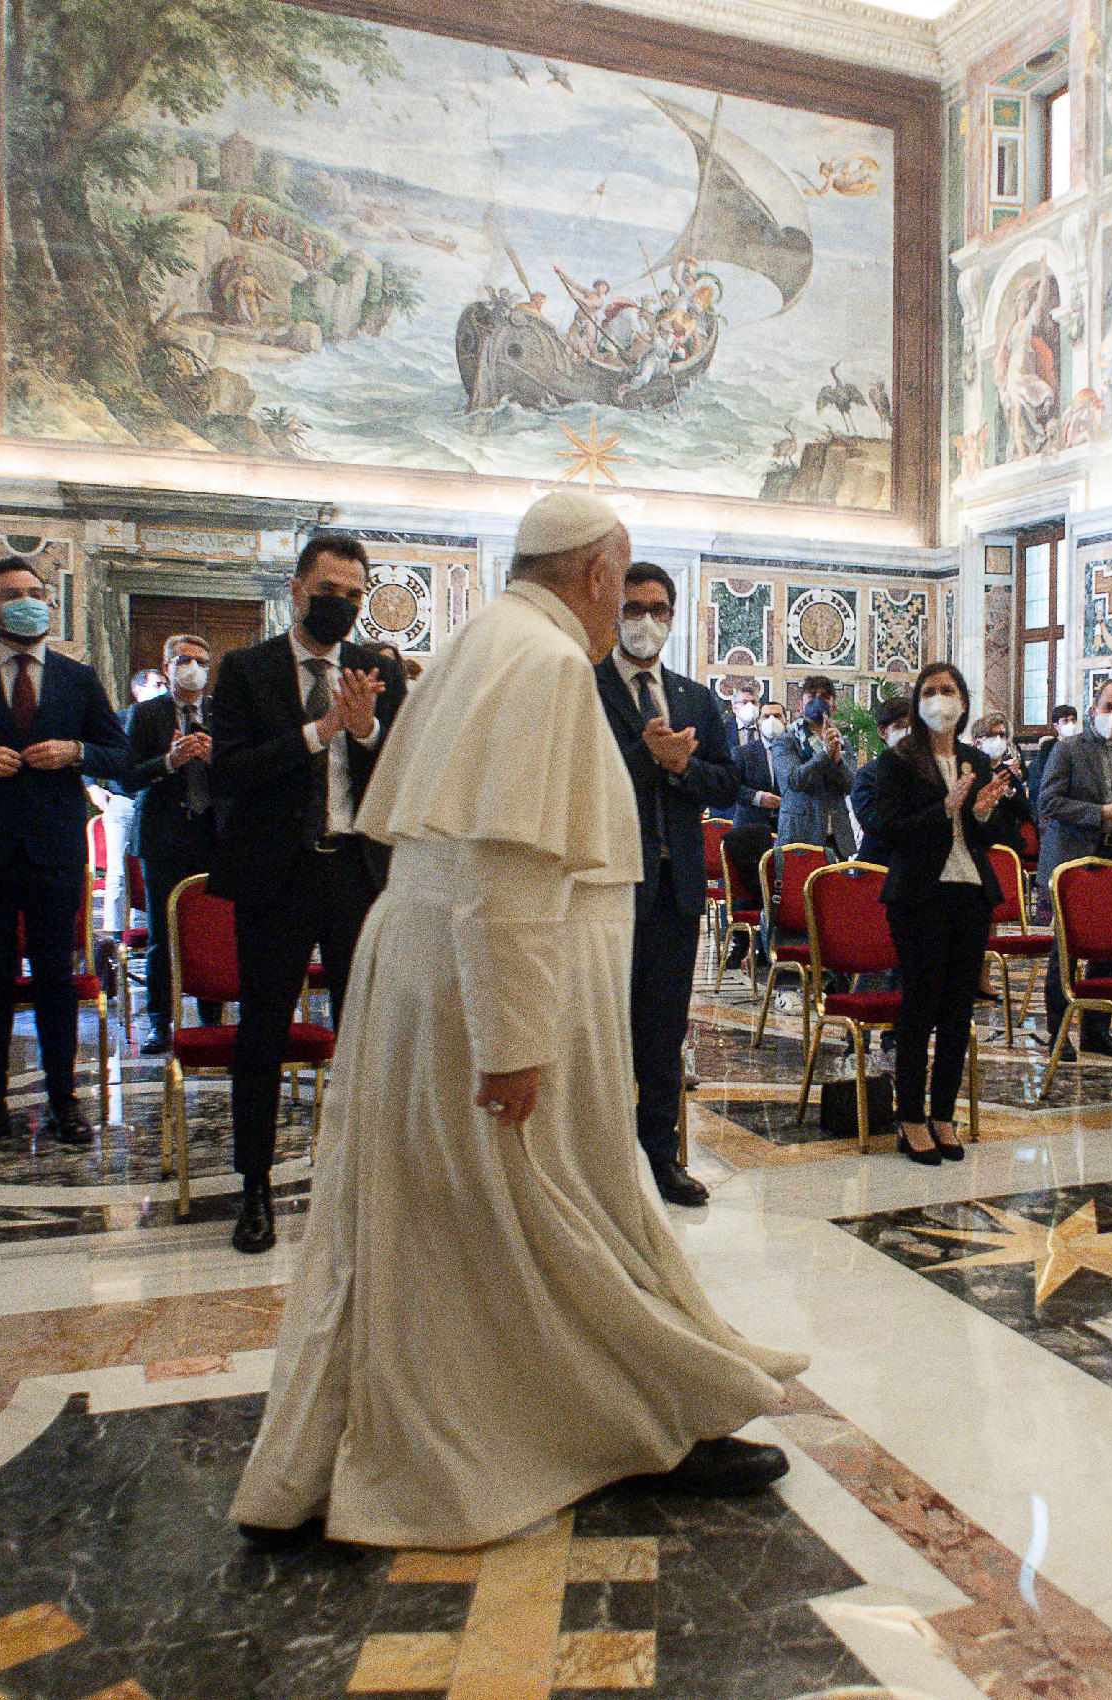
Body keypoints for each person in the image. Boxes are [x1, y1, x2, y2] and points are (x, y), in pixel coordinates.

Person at [229, 487, 805, 1552]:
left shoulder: (485, 636)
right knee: (553, 1217)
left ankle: (605, 1410)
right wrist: (513, 1046)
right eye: (620, 587)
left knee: (472, 1232)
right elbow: (507, 865)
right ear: (595, 576)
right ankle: (638, 1420)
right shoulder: (543, 663)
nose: (623, 611)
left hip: (441, 972)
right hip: (487, 993)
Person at [208, 533, 409, 1253]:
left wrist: (364, 731)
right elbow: (227, 772)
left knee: (368, 1036)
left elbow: (399, 770)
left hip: (357, 874)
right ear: (297, 590)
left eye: (355, 596)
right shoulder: (246, 670)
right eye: (330, 592)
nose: (344, 607)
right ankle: (255, 1187)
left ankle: (364, 1177)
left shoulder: (376, 667)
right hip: (277, 876)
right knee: (261, 1036)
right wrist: (319, 730)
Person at [0, 556, 130, 1150]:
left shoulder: (76, 678)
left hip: (55, 849)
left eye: (35, 592)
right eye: (11, 594)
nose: (26, 601)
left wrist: (76, 752)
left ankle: (65, 1099)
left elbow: (122, 757)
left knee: (57, 979)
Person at [596, 561, 737, 1207]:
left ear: (673, 618)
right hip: (607, 888)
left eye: (657, 609)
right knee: (599, 1033)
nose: (645, 621)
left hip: (676, 889)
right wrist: (643, 757)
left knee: (662, 1034)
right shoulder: (586, 687)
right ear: (614, 612)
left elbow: (726, 781)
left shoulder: (692, 697)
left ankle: (660, 1159)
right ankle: (598, 1167)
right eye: (633, 608)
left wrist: (681, 768)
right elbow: (578, 775)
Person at [859, 663, 1017, 1163]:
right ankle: (910, 1117)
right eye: (930, 691)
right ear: (917, 702)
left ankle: (943, 1113)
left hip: (970, 891)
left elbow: (991, 836)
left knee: (958, 1007)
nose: (939, 699)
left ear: (963, 702)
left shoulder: (974, 760)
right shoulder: (899, 761)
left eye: (948, 690)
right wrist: (944, 810)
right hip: (918, 894)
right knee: (921, 1003)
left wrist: (985, 813)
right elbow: (887, 828)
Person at [1035, 678, 1112, 1058]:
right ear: (1094, 707)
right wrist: (1098, 814)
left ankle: (1097, 1029)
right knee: (1066, 947)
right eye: (1108, 707)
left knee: (1108, 947)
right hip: (1076, 859)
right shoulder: (1068, 750)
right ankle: (1059, 1030)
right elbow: (1048, 801)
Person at [123, 633, 222, 1053]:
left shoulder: (224, 714)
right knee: (163, 931)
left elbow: (247, 774)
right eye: (184, 659)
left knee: (213, 926)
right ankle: (160, 1021)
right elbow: (124, 777)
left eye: (201, 660)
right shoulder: (145, 715)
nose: (193, 667)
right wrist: (169, 761)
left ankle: (211, 1017)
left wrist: (217, 758)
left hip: (214, 835)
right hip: (163, 836)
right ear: (166, 668)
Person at [718, 697, 782, 973]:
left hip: (782, 828)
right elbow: (732, 788)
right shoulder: (744, 753)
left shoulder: (792, 752)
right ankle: (741, 943)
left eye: (778, 716)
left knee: (778, 889)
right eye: (767, 716)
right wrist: (758, 797)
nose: (772, 721)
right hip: (750, 827)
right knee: (748, 888)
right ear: (758, 722)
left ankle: (772, 948)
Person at [771, 674, 856, 857]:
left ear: (832, 706)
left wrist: (836, 759)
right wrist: (825, 754)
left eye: (824, 697)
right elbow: (794, 781)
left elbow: (851, 784)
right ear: (800, 705)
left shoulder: (841, 741)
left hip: (837, 838)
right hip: (801, 835)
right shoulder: (785, 741)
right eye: (811, 696)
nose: (818, 700)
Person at [852, 695, 916, 865]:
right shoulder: (868, 775)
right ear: (883, 732)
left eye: (913, 727)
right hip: (879, 863)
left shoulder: (930, 771)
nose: (908, 733)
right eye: (900, 726)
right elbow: (873, 824)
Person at [1026, 704, 1078, 796]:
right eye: (1065, 720)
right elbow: (1044, 774)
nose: (1071, 724)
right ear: (1056, 725)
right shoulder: (1048, 747)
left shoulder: (1081, 746)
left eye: (1073, 720)